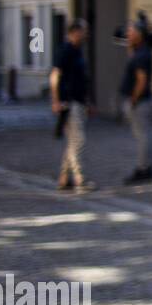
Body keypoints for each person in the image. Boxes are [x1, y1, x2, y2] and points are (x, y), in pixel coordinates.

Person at [51, 19, 94, 192]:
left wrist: (88, 102)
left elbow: (82, 80)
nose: (86, 34)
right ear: (75, 32)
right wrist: (55, 101)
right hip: (68, 102)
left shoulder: (78, 51)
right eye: (84, 31)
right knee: (79, 140)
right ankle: (80, 180)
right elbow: (55, 76)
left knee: (72, 141)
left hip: (78, 102)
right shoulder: (65, 50)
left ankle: (63, 179)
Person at [120, 17, 152, 184]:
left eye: (131, 31)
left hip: (140, 101)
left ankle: (144, 169)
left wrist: (134, 99)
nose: (128, 34)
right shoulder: (141, 51)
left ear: (139, 34)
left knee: (142, 136)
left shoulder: (142, 54)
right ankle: (147, 166)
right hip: (142, 100)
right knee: (144, 134)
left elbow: (141, 80)